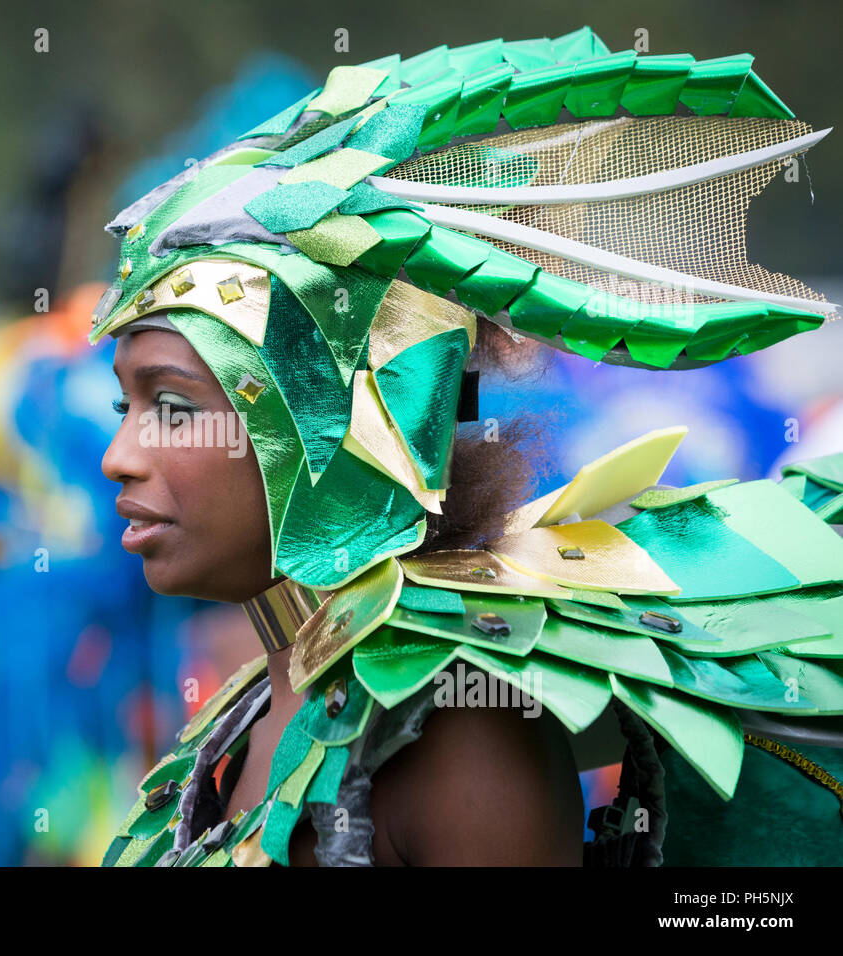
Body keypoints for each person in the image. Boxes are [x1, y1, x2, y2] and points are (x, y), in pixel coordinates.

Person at [90, 26, 843, 867]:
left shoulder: (455, 732)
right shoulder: (233, 721)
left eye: (172, 406)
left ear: (332, 426)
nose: (120, 454)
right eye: (125, 404)